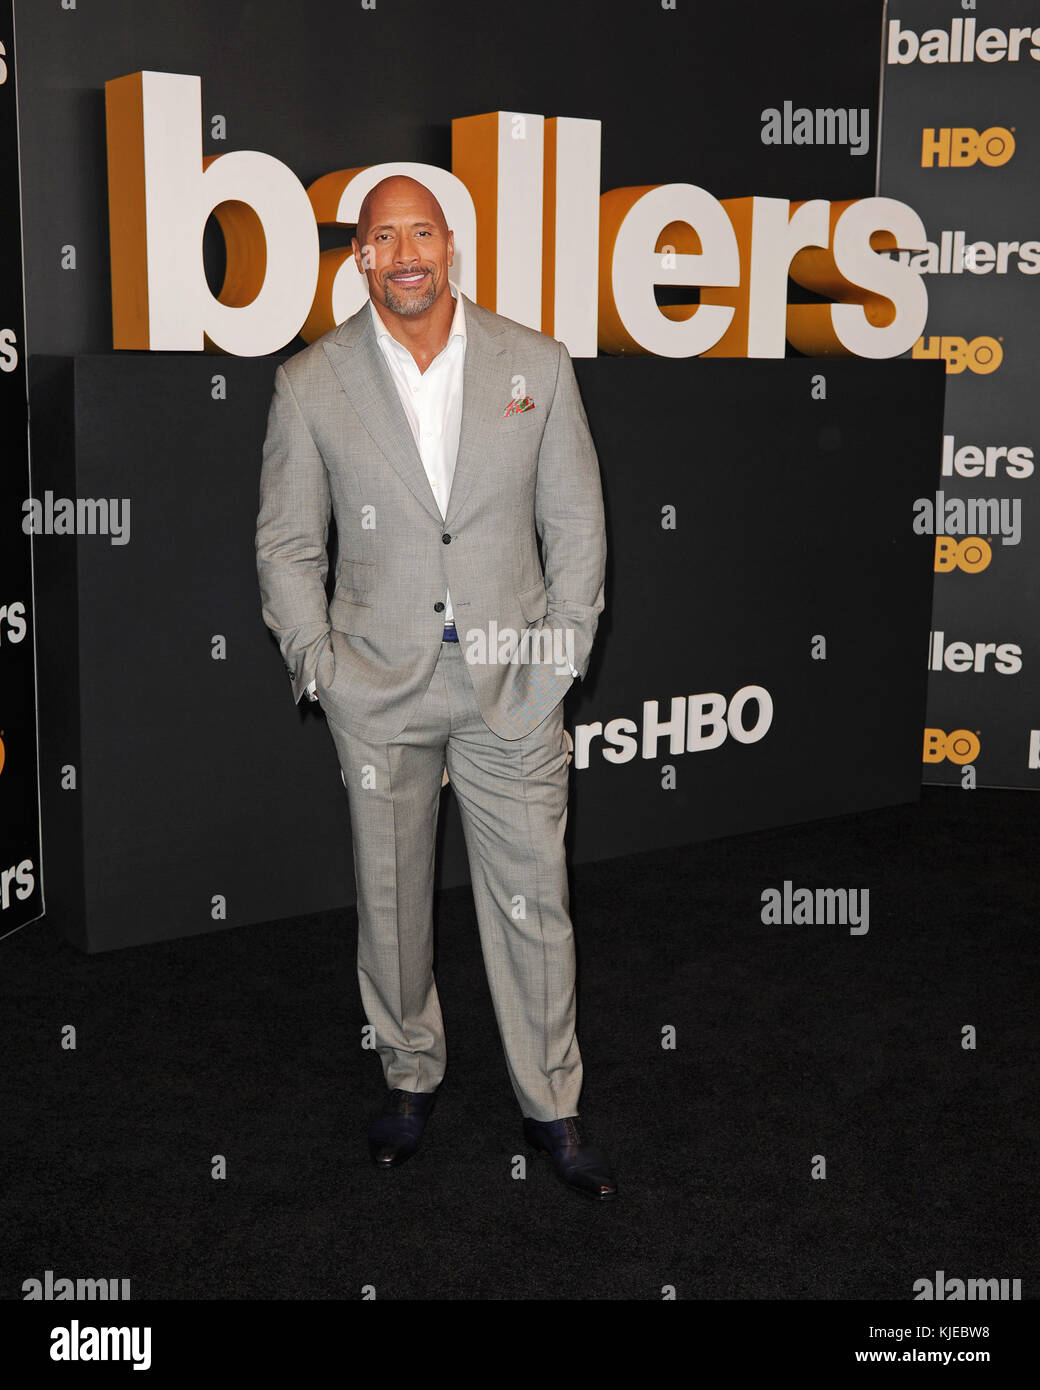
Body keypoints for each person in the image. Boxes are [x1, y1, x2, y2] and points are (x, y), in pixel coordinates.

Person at [256, 175, 614, 1199]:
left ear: (449, 244)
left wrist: (560, 653)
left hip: (514, 682)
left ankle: (551, 1100)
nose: (404, 250)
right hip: (377, 687)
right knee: (390, 900)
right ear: (359, 256)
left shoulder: (534, 363)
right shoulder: (311, 382)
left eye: (421, 231)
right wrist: (319, 664)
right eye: (383, 235)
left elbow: (577, 524)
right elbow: (286, 543)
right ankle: (408, 1072)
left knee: (534, 897)